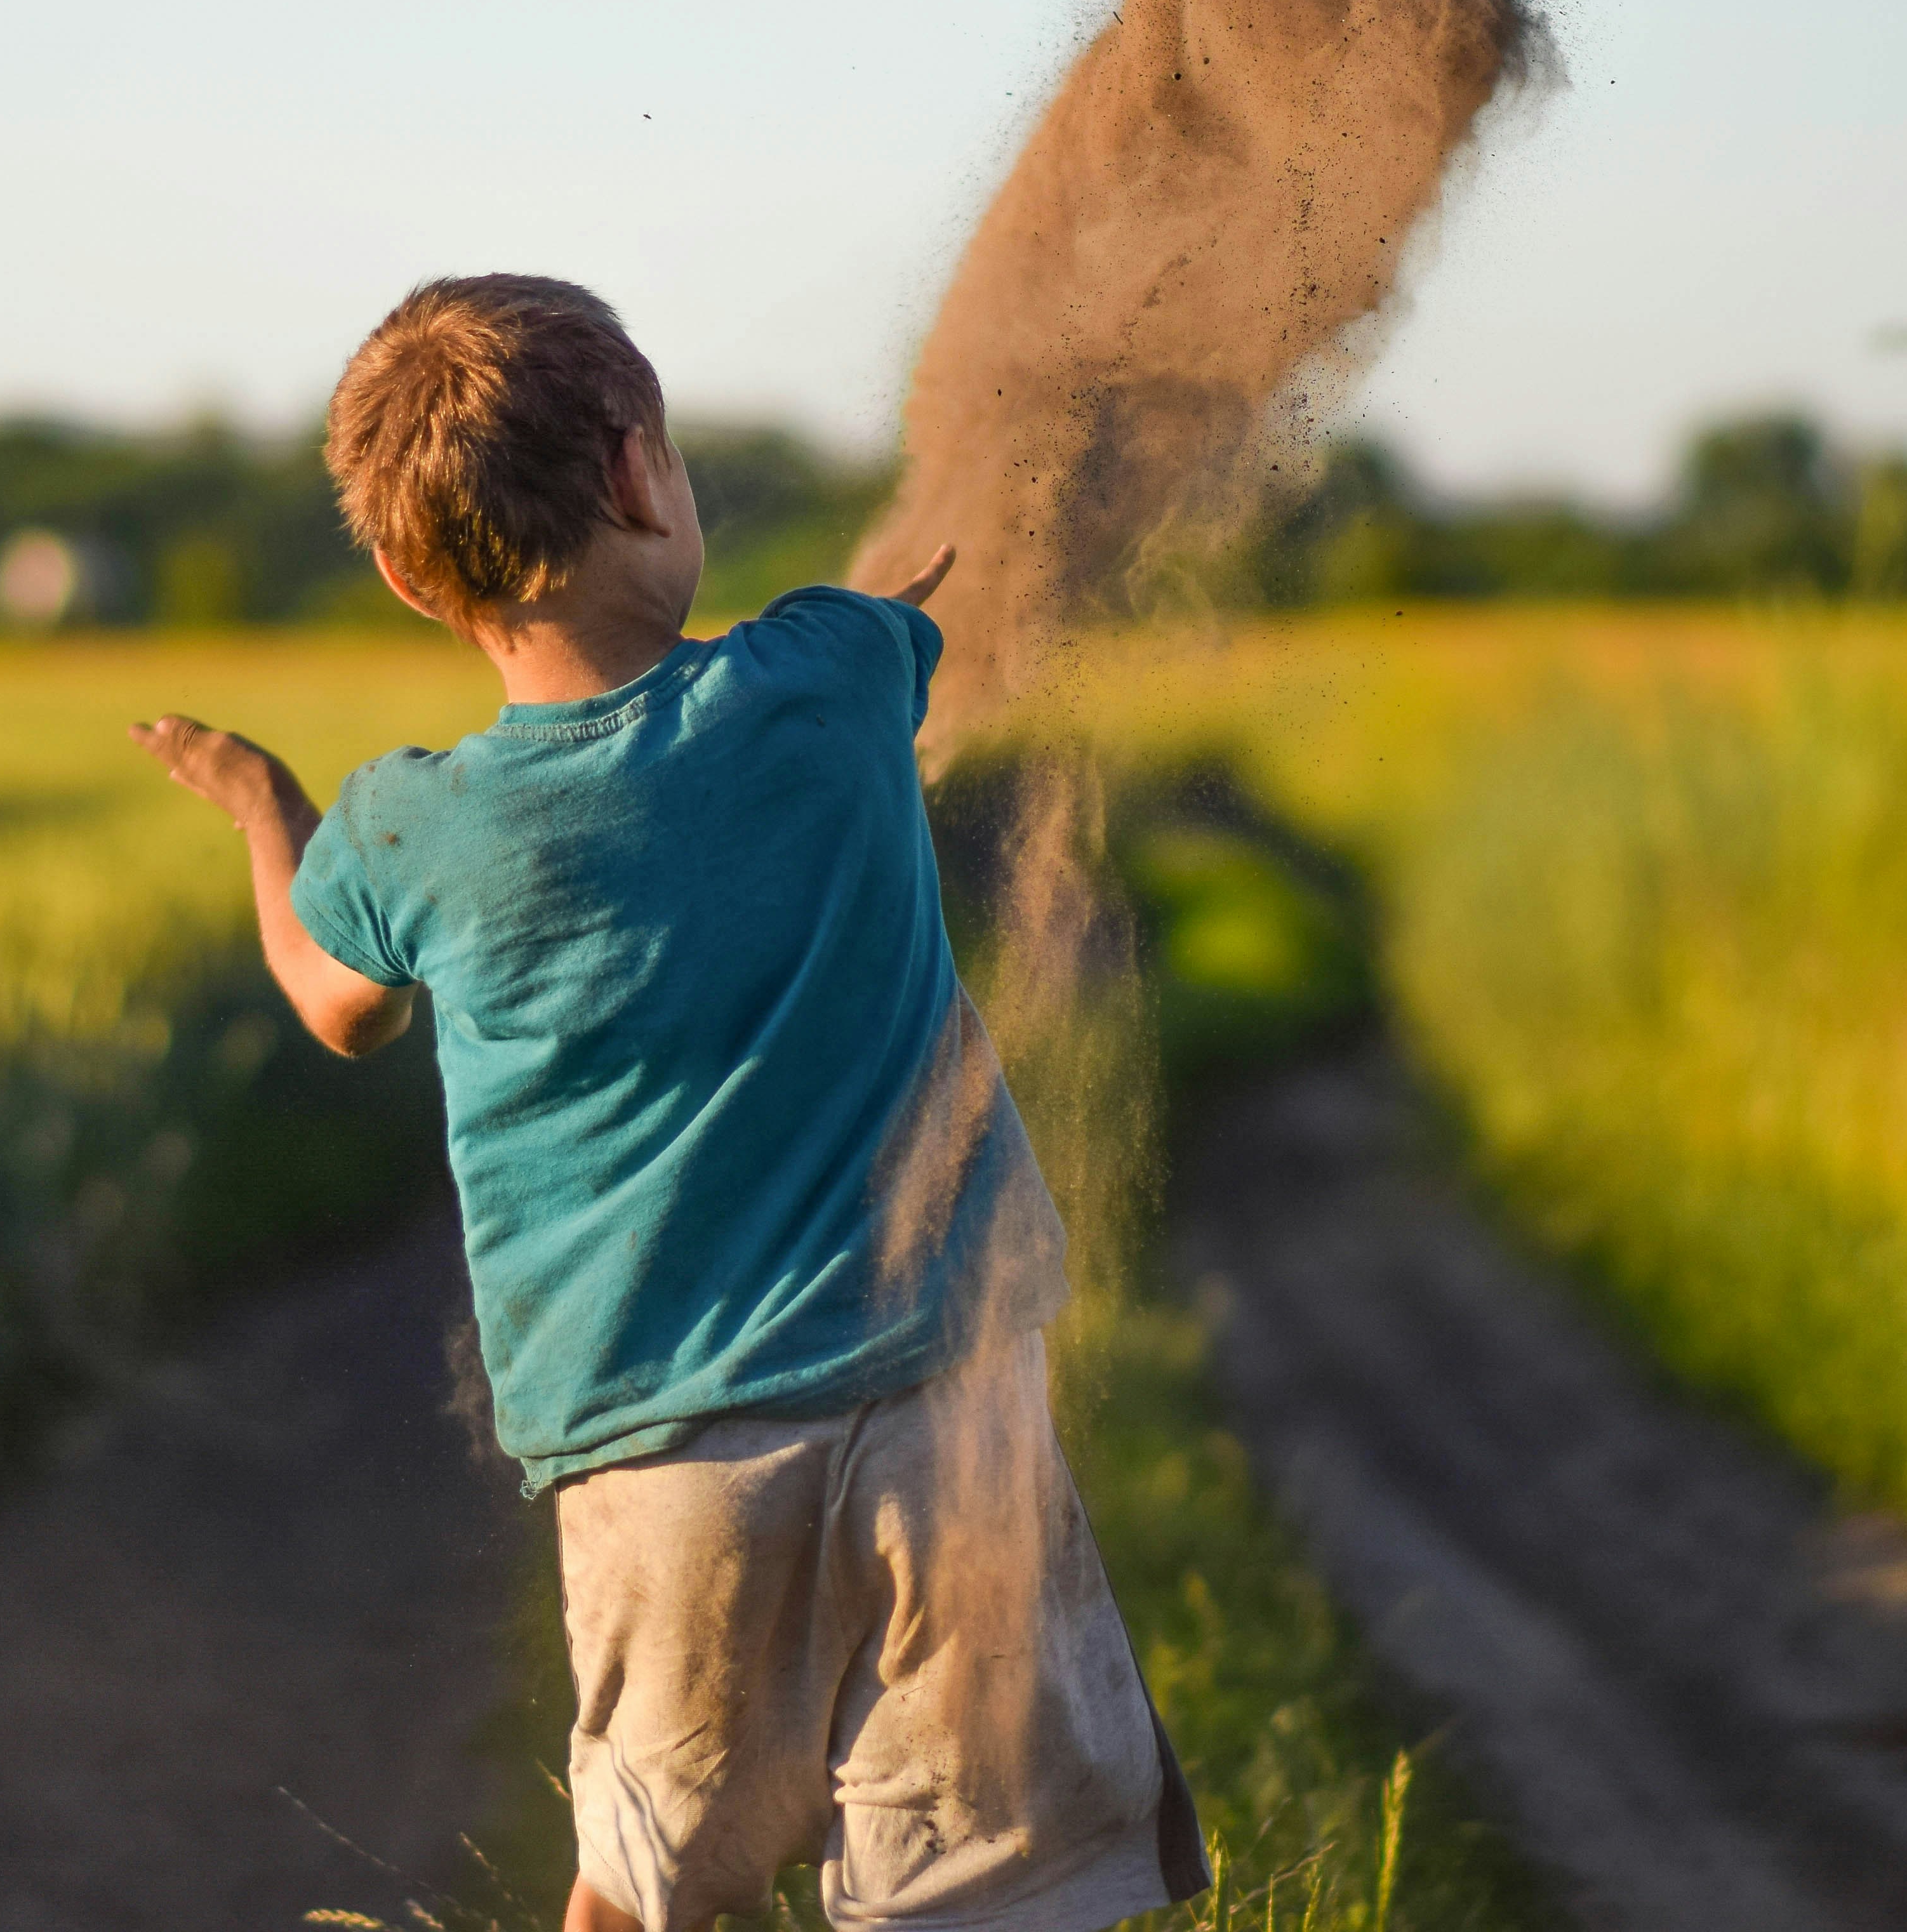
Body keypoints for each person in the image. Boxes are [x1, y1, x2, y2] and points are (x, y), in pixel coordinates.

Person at [133, 274, 1209, 1932]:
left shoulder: (408, 833)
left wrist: (268, 813)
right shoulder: (832, 670)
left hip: (662, 1458)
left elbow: (332, 1005)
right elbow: (919, 605)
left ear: (411, 577)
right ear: (640, 473)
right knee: (991, 1890)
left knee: (644, 1886)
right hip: (950, 1403)